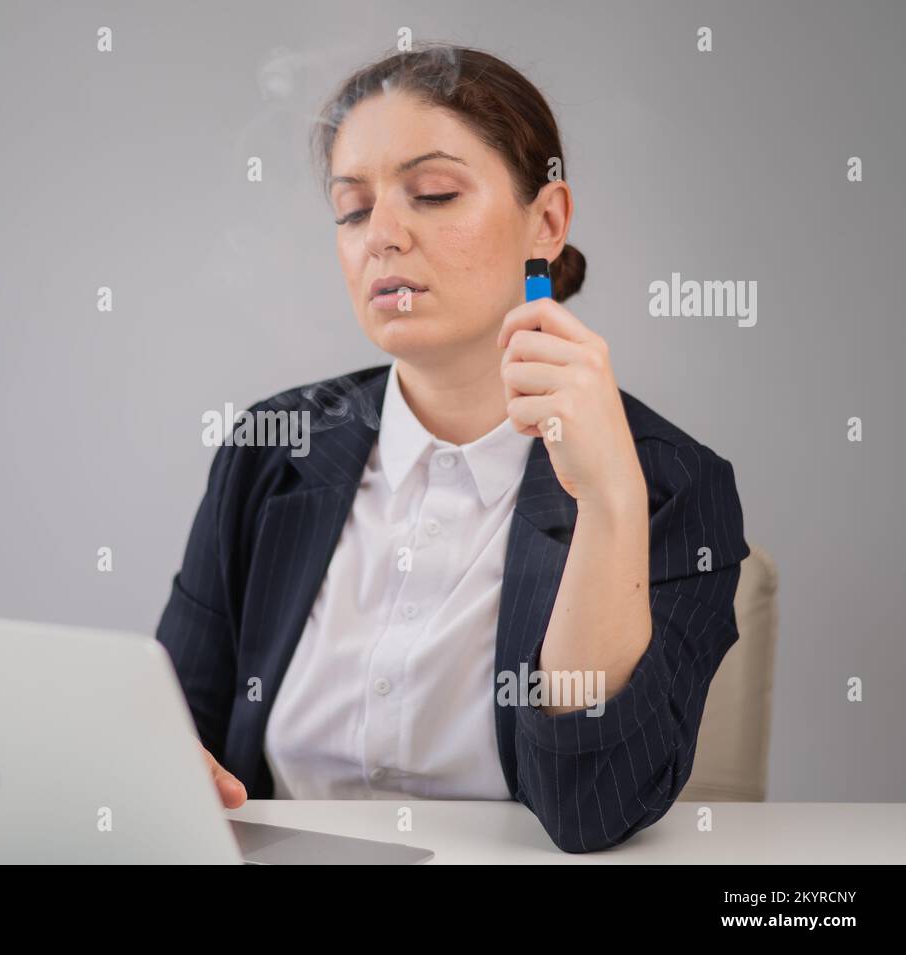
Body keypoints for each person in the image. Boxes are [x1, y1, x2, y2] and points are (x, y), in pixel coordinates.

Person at [155, 44, 749, 853]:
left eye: (432, 193)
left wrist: (610, 502)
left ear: (546, 219)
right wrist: (165, 765)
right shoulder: (272, 449)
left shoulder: (672, 484)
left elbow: (592, 806)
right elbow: (174, 731)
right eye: (353, 208)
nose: (384, 237)